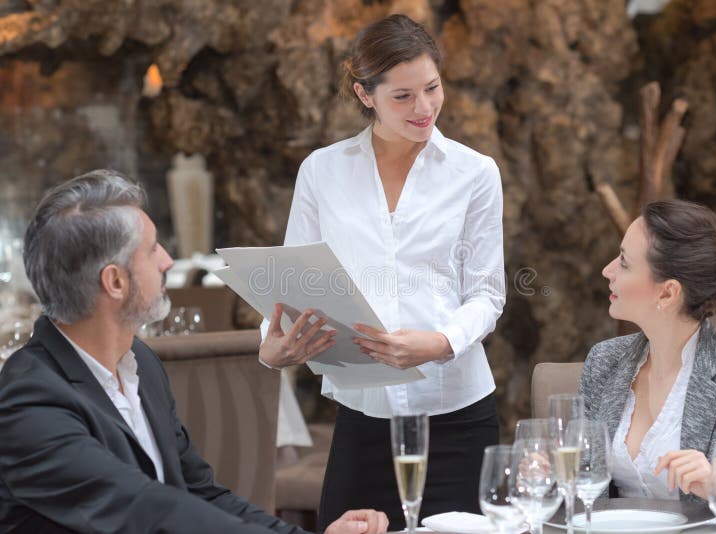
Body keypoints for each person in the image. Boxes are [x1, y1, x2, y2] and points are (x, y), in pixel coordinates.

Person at [0, 170, 389, 534]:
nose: (168, 261)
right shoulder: (30, 401)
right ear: (115, 281)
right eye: (152, 250)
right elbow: (147, 511)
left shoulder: (141, 365)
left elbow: (201, 492)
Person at [257, 14, 505, 531]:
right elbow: (294, 281)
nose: (424, 108)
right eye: (403, 96)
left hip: (456, 415)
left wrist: (439, 342)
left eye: (432, 89)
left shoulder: (475, 173)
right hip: (363, 418)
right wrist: (273, 344)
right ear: (364, 94)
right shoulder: (322, 171)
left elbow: (487, 293)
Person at [580, 199, 716, 503]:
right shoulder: (603, 363)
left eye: (624, 262)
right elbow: (582, 478)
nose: (607, 270)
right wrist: (546, 475)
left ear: (668, 292)